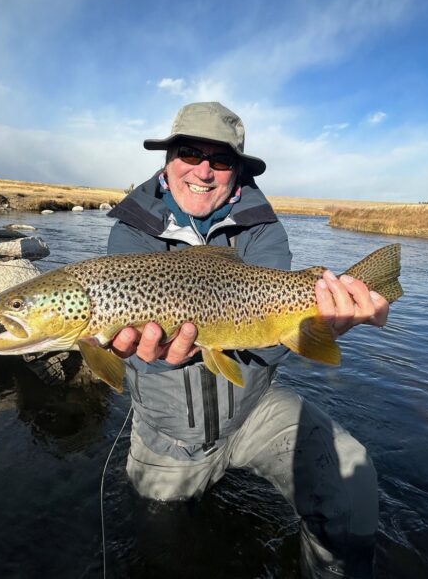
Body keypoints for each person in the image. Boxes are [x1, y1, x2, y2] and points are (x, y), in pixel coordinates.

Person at [106, 101, 390, 578]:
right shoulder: (130, 230)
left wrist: (324, 324)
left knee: (352, 478)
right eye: (189, 153)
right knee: (161, 544)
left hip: (252, 406)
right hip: (169, 427)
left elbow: (270, 329)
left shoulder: (264, 229)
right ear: (167, 160)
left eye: (219, 160)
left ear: (236, 170)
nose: (202, 170)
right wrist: (157, 358)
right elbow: (136, 343)